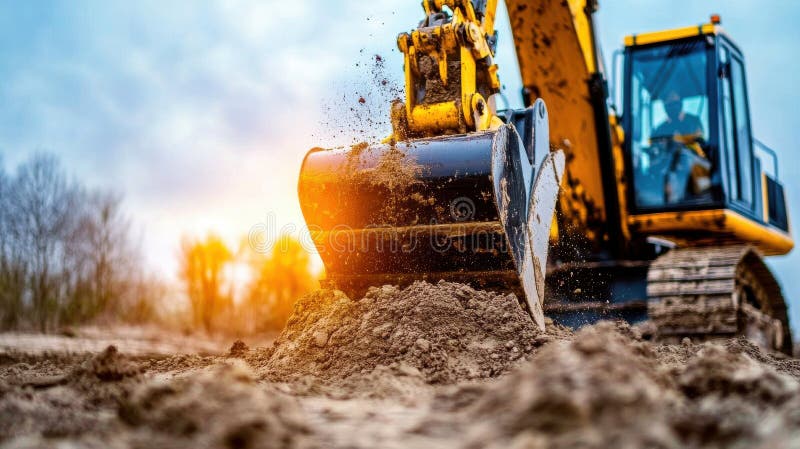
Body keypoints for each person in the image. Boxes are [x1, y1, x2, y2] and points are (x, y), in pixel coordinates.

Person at [650, 90, 710, 204]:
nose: (671, 107)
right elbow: (654, 149)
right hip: (667, 168)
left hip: (693, 167)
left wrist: (680, 143)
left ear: (680, 103)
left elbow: (700, 143)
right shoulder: (660, 129)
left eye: (674, 103)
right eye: (668, 104)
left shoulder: (693, 121)